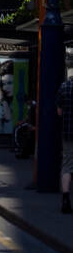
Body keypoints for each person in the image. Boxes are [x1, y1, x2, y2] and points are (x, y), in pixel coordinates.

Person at [56, 74, 73, 214]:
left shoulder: (65, 86)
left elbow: (59, 112)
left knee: (67, 165)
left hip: (68, 133)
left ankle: (66, 199)